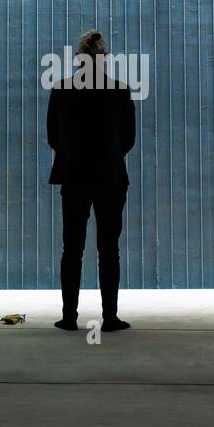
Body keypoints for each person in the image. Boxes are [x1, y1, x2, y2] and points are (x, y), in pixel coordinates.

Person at [47, 29, 136, 332]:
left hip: (75, 177)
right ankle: (109, 318)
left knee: (72, 249)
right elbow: (128, 139)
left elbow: (53, 137)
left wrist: (75, 156)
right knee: (109, 248)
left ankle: (69, 317)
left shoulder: (61, 89)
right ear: (106, 59)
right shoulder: (120, 90)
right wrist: (108, 155)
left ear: (77, 59)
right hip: (110, 177)